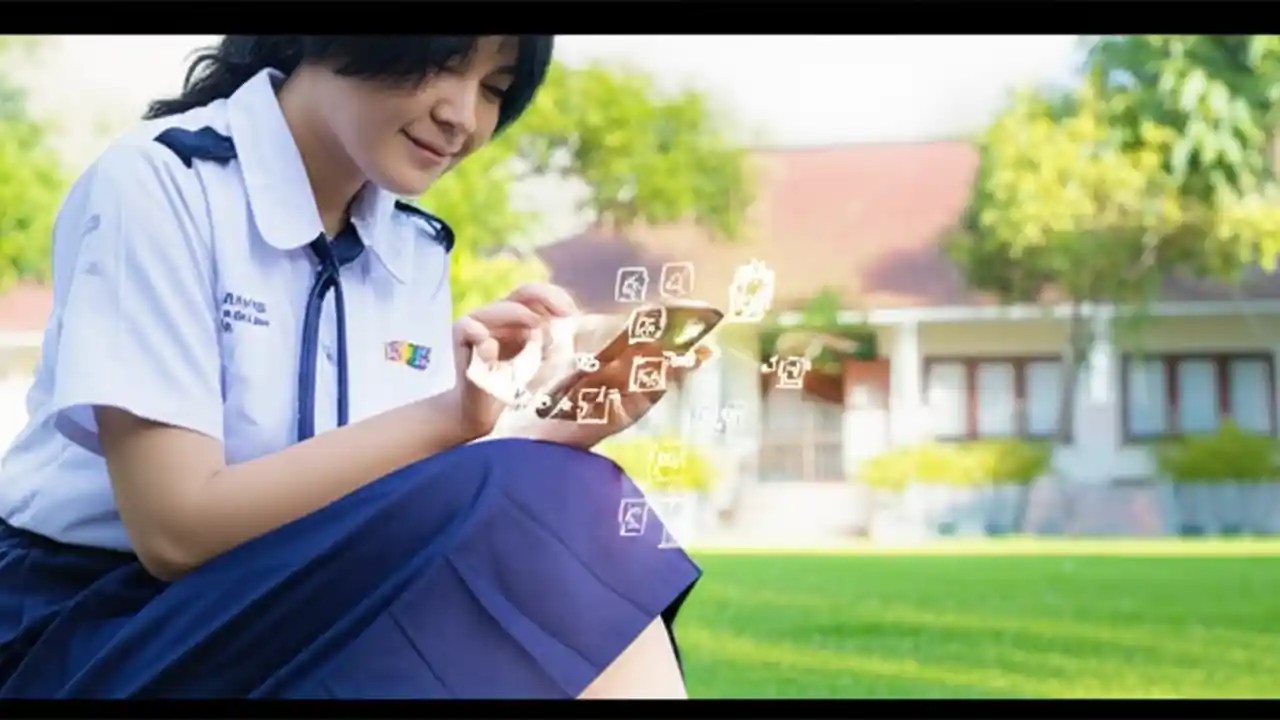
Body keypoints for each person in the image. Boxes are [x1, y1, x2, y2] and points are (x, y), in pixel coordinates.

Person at [0, 35, 700, 699]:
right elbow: (175, 532)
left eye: (493, 87)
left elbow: (383, 501)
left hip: (275, 598)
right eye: (443, 61)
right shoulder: (162, 183)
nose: (462, 116)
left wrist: (536, 426)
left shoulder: (413, 247)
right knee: (536, 506)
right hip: (93, 624)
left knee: (567, 484)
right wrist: (446, 420)